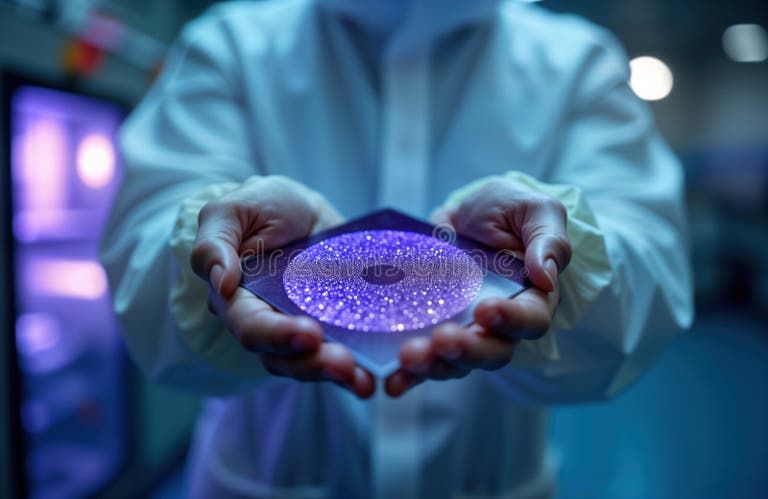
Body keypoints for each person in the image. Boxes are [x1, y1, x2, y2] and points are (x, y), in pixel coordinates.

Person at [100, 0, 694, 497]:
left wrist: (568, 266)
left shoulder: (577, 63)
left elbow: (646, 256)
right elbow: (146, 253)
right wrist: (211, 254)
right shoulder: (228, 46)